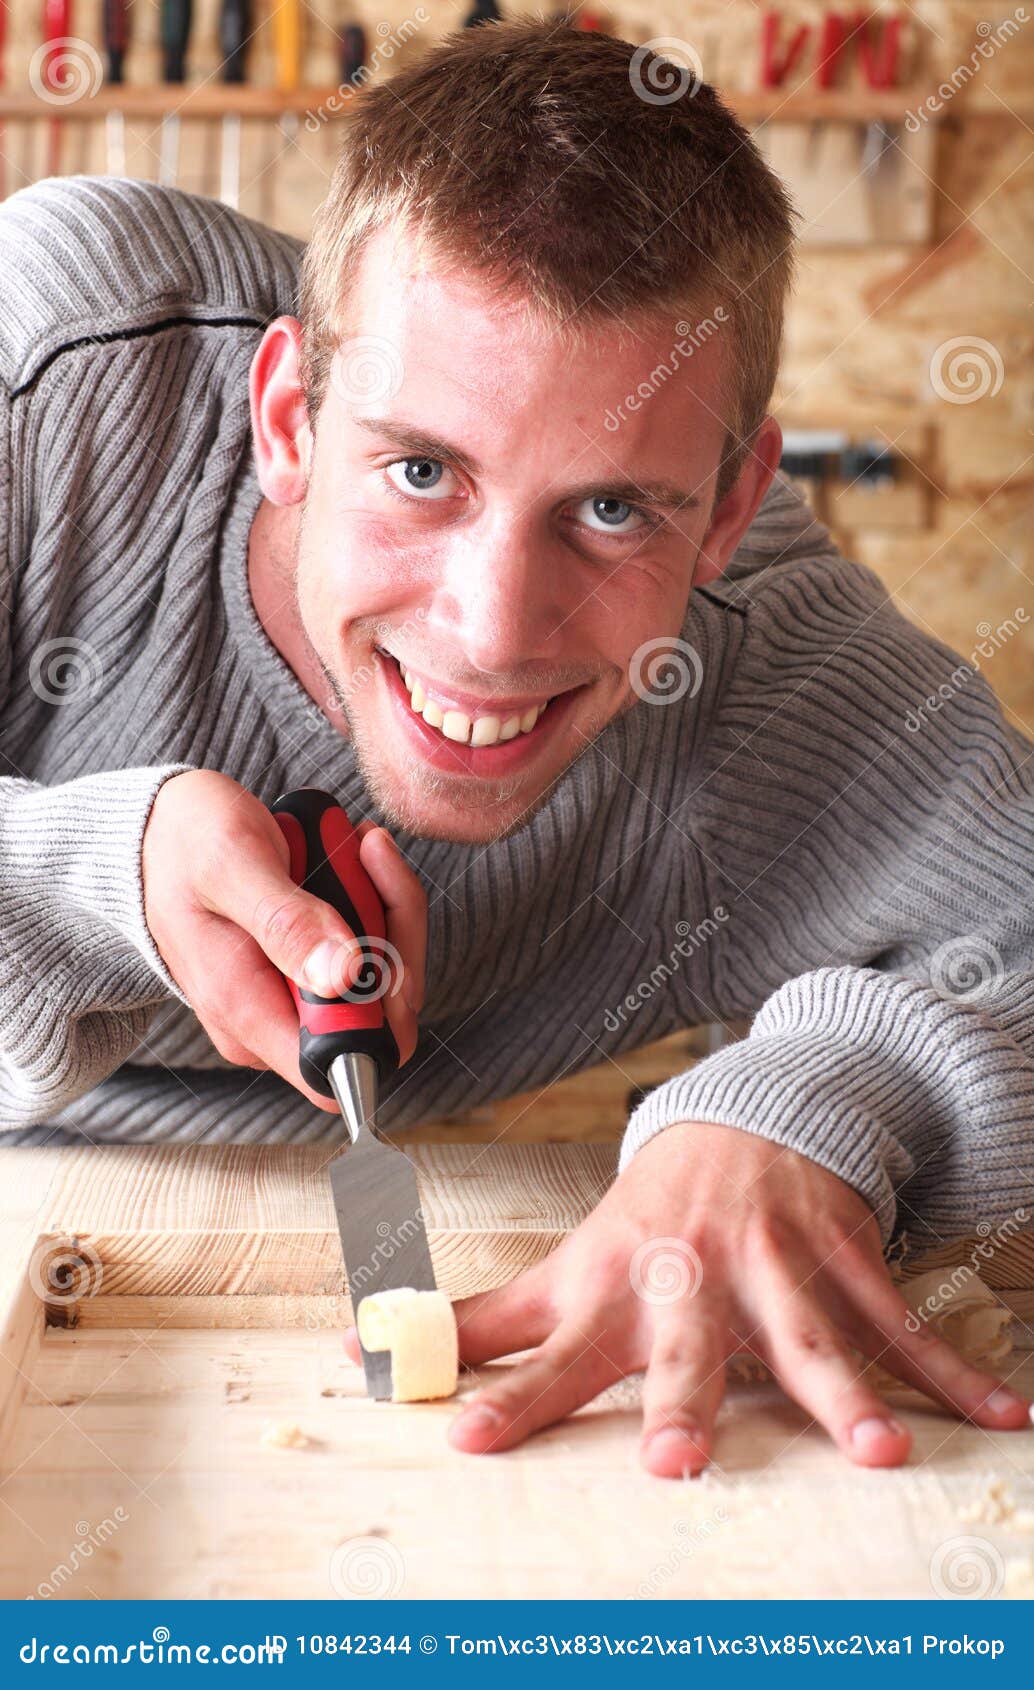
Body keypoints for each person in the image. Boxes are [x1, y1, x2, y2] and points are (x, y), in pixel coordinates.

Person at [0, 21, 1030, 1477]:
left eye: (613, 511)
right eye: (420, 472)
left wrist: (800, 1114)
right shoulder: (51, 359)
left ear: (733, 504)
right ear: (288, 417)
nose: (492, 632)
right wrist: (96, 876)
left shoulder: (771, 668)